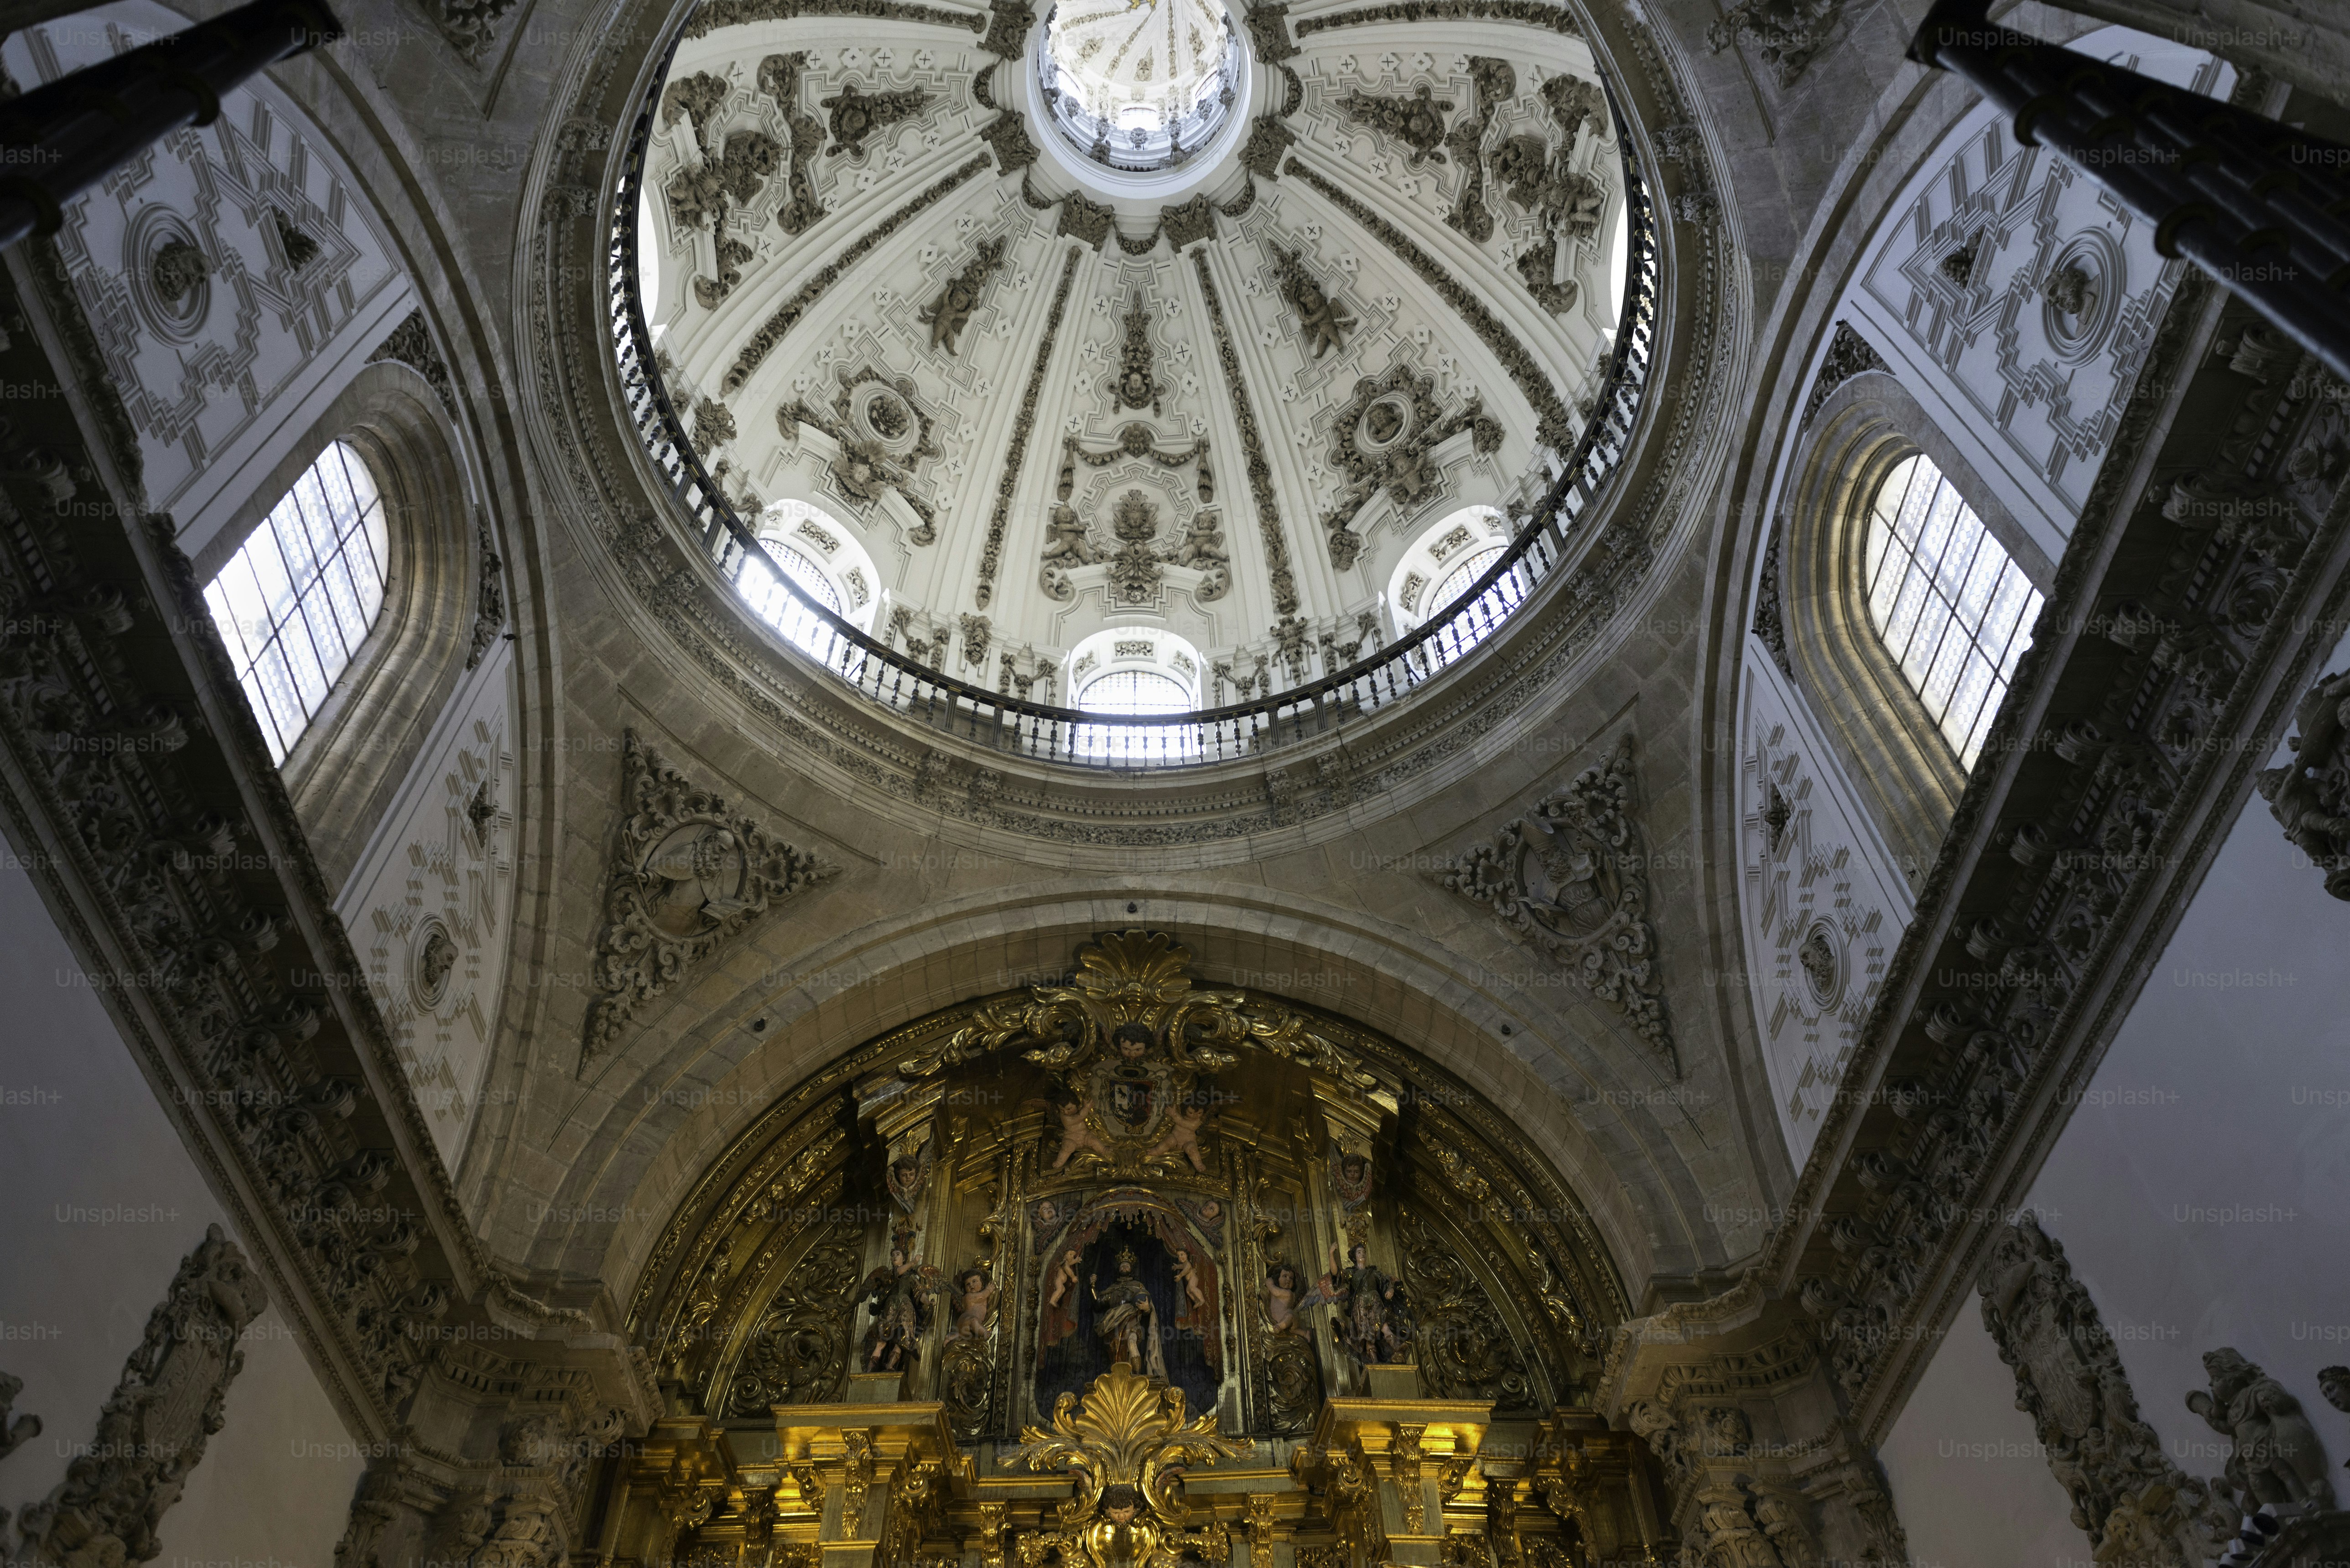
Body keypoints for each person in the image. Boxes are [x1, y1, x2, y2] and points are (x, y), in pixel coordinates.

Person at [1092, 1246, 1169, 1381]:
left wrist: (1147, 1308)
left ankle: (1137, 1377)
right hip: (1112, 1324)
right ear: (1119, 1269)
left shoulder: (1137, 1286)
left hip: (1131, 1321)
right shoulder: (1113, 1289)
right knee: (1116, 1352)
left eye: (1127, 1266)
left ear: (1131, 1269)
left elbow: (1146, 1306)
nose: (1124, 1268)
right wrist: (1092, 1287)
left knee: (1132, 1343)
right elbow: (1099, 1303)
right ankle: (1119, 1378)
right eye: (1122, 1266)